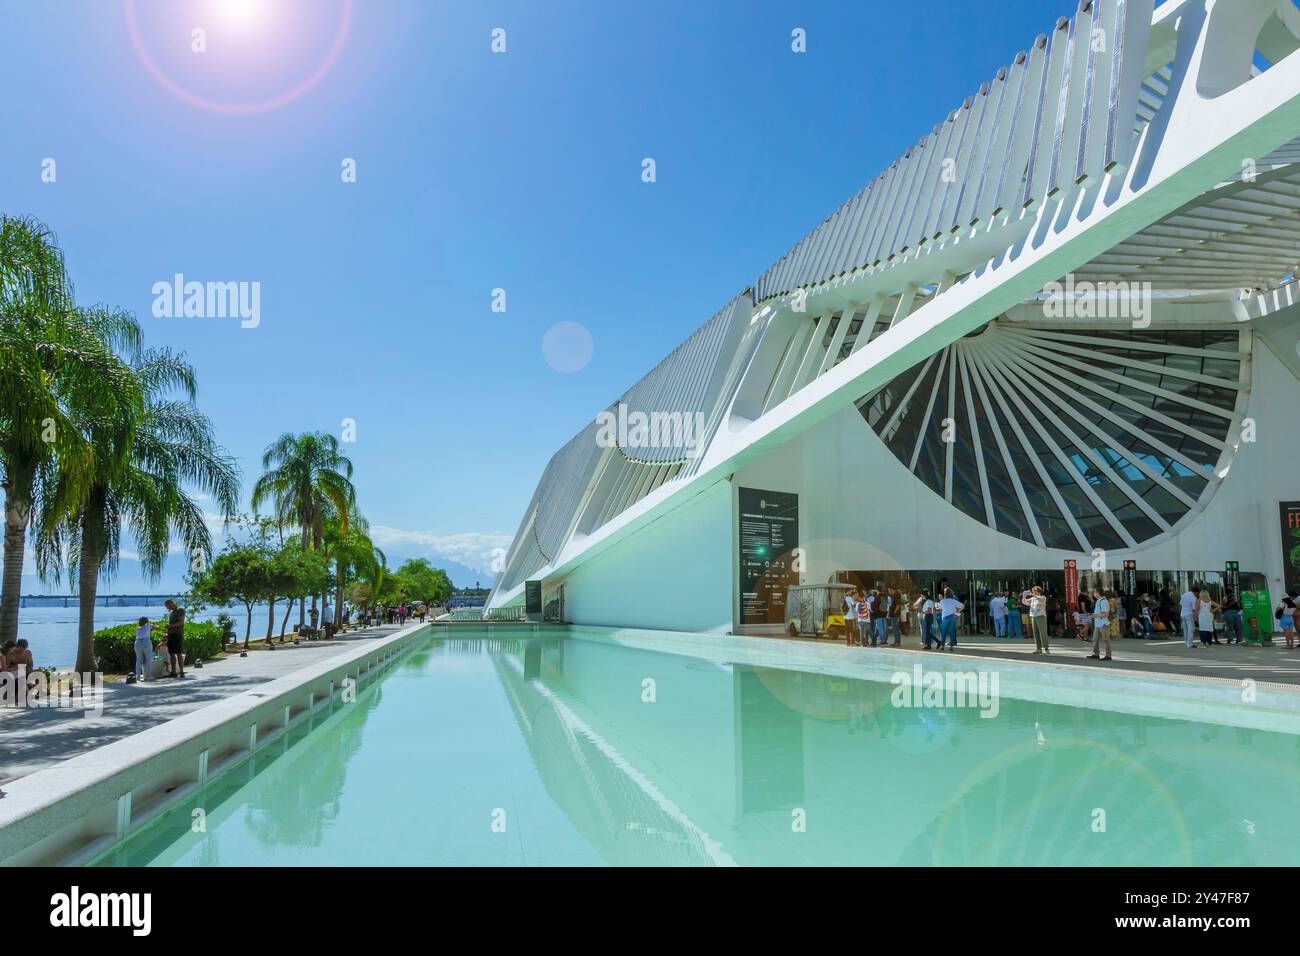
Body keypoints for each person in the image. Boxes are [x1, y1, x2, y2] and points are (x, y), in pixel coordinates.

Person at [1023, 585, 1050, 654]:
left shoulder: (1043, 597)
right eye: (1032, 591)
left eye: (1034, 591)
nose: (1033, 592)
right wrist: (1024, 595)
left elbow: (1040, 599)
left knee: (1042, 632)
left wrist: (1033, 594)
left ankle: (1046, 648)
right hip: (1033, 616)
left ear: (1038, 591)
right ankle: (1038, 648)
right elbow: (1025, 602)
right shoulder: (1033, 599)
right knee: (1035, 632)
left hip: (1041, 616)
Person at [1088, 588, 1113, 661]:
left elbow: (1106, 614)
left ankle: (1108, 655)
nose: (1094, 593)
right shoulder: (1098, 601)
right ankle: (1096, 654)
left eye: (1095, 592)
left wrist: (1094, 616)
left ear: (1098, 593)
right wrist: (1094, 615)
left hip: (1103, 623)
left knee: (1106, 639)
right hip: (1098, 624)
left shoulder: (1103, 601)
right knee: (1095, 639)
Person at [164, 598, 186, 678]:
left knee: (178, 653)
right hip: (171, 634)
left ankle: (181, 671)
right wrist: (167, 631)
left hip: (177, 634)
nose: (167, 608)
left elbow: (181, 622)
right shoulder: (172, 612)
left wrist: (170, 626)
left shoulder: (180, 610)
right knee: (171, 654)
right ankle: (173, 672)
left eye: (167, 606)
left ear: (171, 604)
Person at [132, 616, 154, 682]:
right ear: (146, 621)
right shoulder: (148, 625)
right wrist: (153, 627)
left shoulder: (137, 628)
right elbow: (158, 628)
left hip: (137, 642)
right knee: (148, 659)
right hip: (146, 642)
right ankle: (147, 676)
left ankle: (138, 677)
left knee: (139, 660)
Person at [1180, 584, 1198, 649]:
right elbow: (1194, 609)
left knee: (1185, 629)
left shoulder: (1184, 595)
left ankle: (1186, 642)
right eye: (1197, 593)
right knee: (1191, 628)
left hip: (1182, 614)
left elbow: (1181, 604)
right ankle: (1190, 644)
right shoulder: (1193, 597)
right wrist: (1196, 617)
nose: (1196, 594)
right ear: (1195, 592)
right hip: (1189, 614)